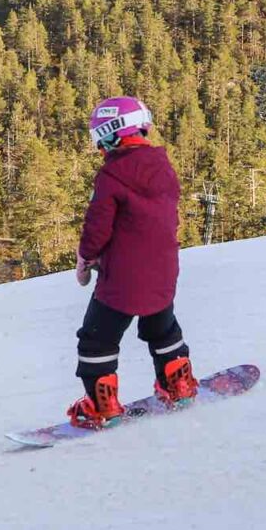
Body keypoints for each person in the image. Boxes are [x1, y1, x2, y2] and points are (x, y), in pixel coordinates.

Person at [67, 96, 198, 429]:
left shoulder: (111, 176)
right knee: (162, 327)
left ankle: (102, 405)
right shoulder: (163, 167)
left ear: (111, 134)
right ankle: (178, 384)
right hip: (164, 270)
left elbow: (97, 226)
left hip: (122, 279)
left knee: (97, 339)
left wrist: (85, 259)